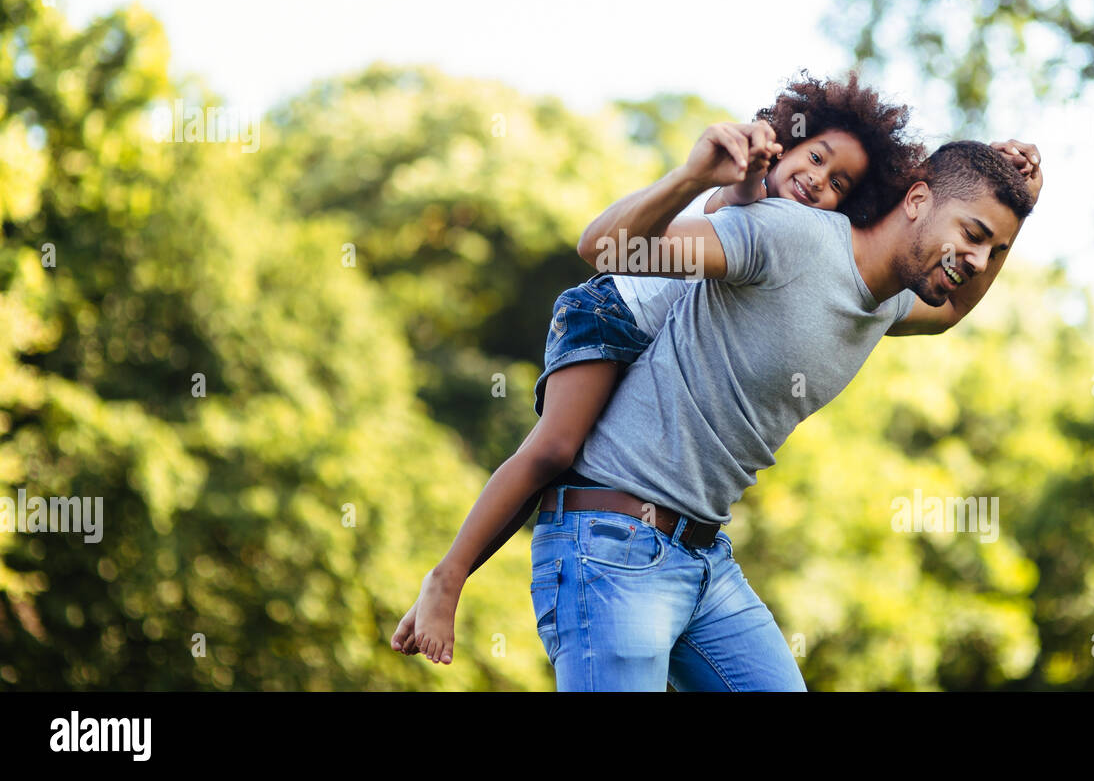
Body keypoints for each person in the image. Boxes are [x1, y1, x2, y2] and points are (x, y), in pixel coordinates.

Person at [390, 73, 928, 663]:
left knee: (574, 463)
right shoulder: (742, 203)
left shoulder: (800, 241)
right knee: (553, 451)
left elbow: (940, 307)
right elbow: (731, 201)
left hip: (652, 350)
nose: (817, 181)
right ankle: (448, 575)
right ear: (784, 145)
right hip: (610, 313)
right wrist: (742, 166)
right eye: (815, 158)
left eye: (838, 185)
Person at [525, 118, 1042, 690]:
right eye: (973, 233)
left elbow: (952, 313)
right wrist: (692, 175)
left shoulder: (890, 301)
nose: (977, 259)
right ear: (918, 199)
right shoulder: (790, 235)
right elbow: (606, 248)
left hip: (702, 558)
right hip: (611, 545)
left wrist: (1019, 219)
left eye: (994, 250)